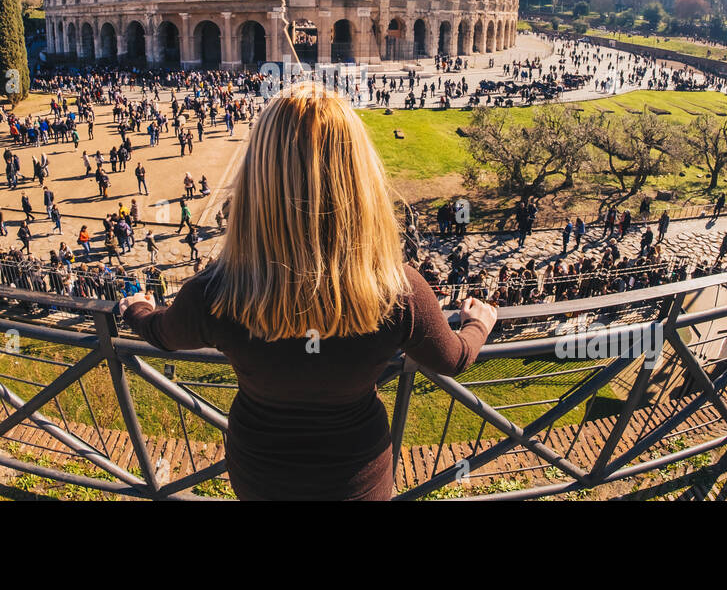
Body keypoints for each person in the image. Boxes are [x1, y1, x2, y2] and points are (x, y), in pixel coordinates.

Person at [120, 83, 496, 501]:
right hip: (357, 477)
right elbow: (454, 358)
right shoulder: (400, 289)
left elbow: (163, 336)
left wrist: (136, 308)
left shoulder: (215, 291)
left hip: (262, 473)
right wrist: (479, 323)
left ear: (257, 178)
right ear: (360, 177)